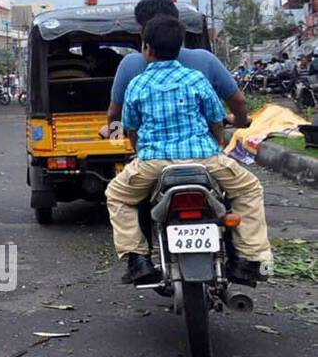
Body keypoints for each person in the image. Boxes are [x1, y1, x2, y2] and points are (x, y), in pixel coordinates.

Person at [104, 15, 272, 286]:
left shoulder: (136, 83)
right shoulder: (195, 77)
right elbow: (216, 119)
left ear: (145, 47)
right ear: (180, 45)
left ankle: (138, 259)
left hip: (153, 162)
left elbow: (130, 125)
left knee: (116, 194)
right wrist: (216, 149)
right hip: (205, 159)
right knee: (249, 189)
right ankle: (248, 259)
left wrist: (141, 152)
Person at [103, 0, 251, 138]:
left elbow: (114, 114)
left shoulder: (129, 65)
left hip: (150, 156)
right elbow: (238, 102)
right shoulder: (205, 60)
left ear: (143, 33)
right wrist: (239, 122)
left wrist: (115, 135)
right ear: (178, 29)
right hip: (203, 153)